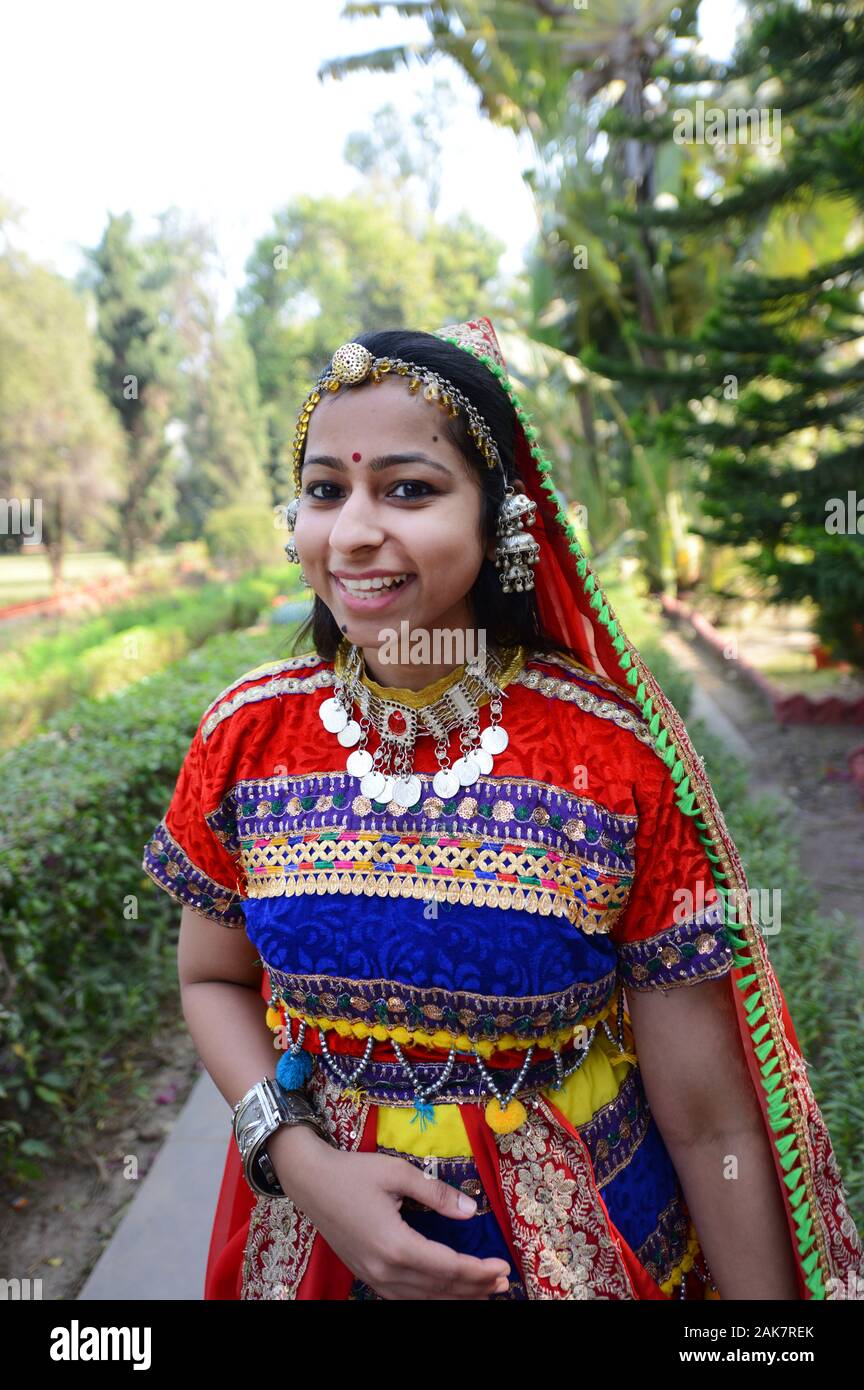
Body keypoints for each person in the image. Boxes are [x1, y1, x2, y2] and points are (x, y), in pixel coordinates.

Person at [142, 315, 862, 1301]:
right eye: (325, 489)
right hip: (317, 1253)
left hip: (587, 1253)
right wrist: (302, 1162)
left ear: (503, 520)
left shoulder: (611, 761)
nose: (354, 530)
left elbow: (713, 1123)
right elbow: (212, 982)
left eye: (410, 488)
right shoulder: (245, 740)